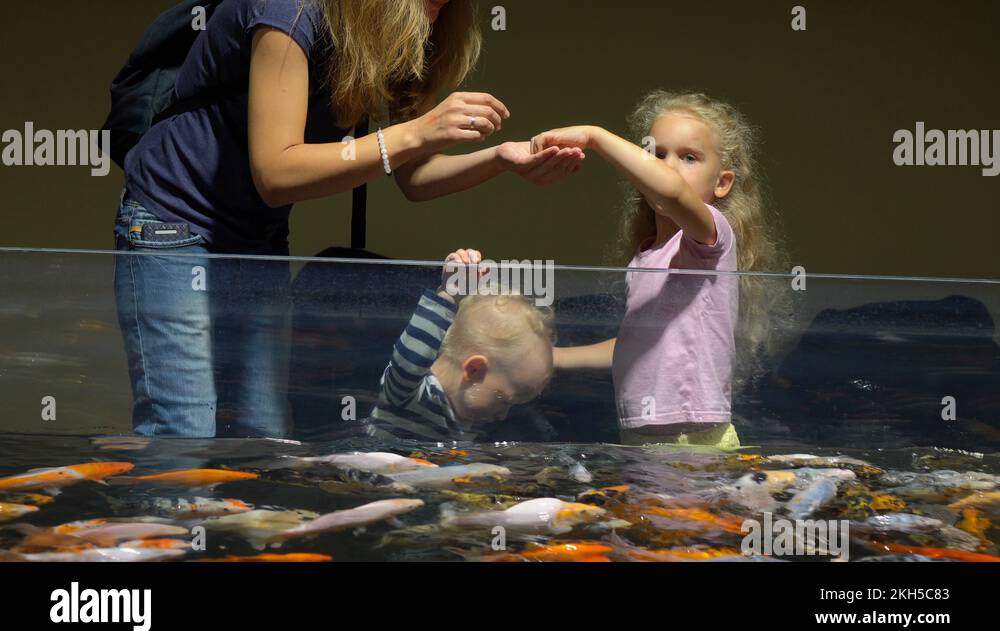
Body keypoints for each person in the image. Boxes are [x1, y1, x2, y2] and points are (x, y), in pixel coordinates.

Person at [113, 0, 583, 437]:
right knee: (183, 429)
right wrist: (417, 130)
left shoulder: (406, 25)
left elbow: (413, 177)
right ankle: (170, 525)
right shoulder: (292, 7)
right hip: (169, 220)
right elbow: (276, 173)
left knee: (264, 431)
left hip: (258, 236)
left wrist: (499, 159)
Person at [539, 90, 786, 448]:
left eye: (688, 157)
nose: (667, 166)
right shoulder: (646, 255)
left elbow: (671, 193)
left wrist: (595, 136)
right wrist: (554, 358)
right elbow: (638, 344)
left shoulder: (711, 239)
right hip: (640, 433)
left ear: (722, 182)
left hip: (692, 435)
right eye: (656, 154)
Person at [368, 248, 555, 441]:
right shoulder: (408, 393)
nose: (503, 415)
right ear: (474, 369)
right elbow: (409, 360)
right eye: (504, 401)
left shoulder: (469, 419)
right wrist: (448, 294)